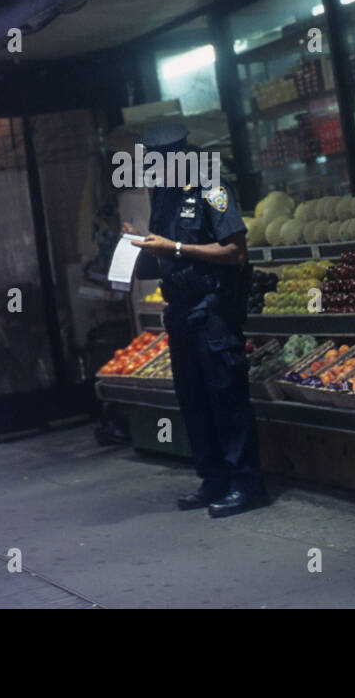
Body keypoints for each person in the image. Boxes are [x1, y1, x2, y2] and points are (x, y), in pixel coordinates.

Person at [129, 123, 268, 518]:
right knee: (194, 400)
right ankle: (214, 480)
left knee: (227, 398)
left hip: (213, 311)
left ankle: (247, 484)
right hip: (179, 310)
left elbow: (235, 251)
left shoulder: (212, 186)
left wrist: (174, 246)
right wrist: (140, 245)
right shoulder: (163, 196)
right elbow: (164, 256)